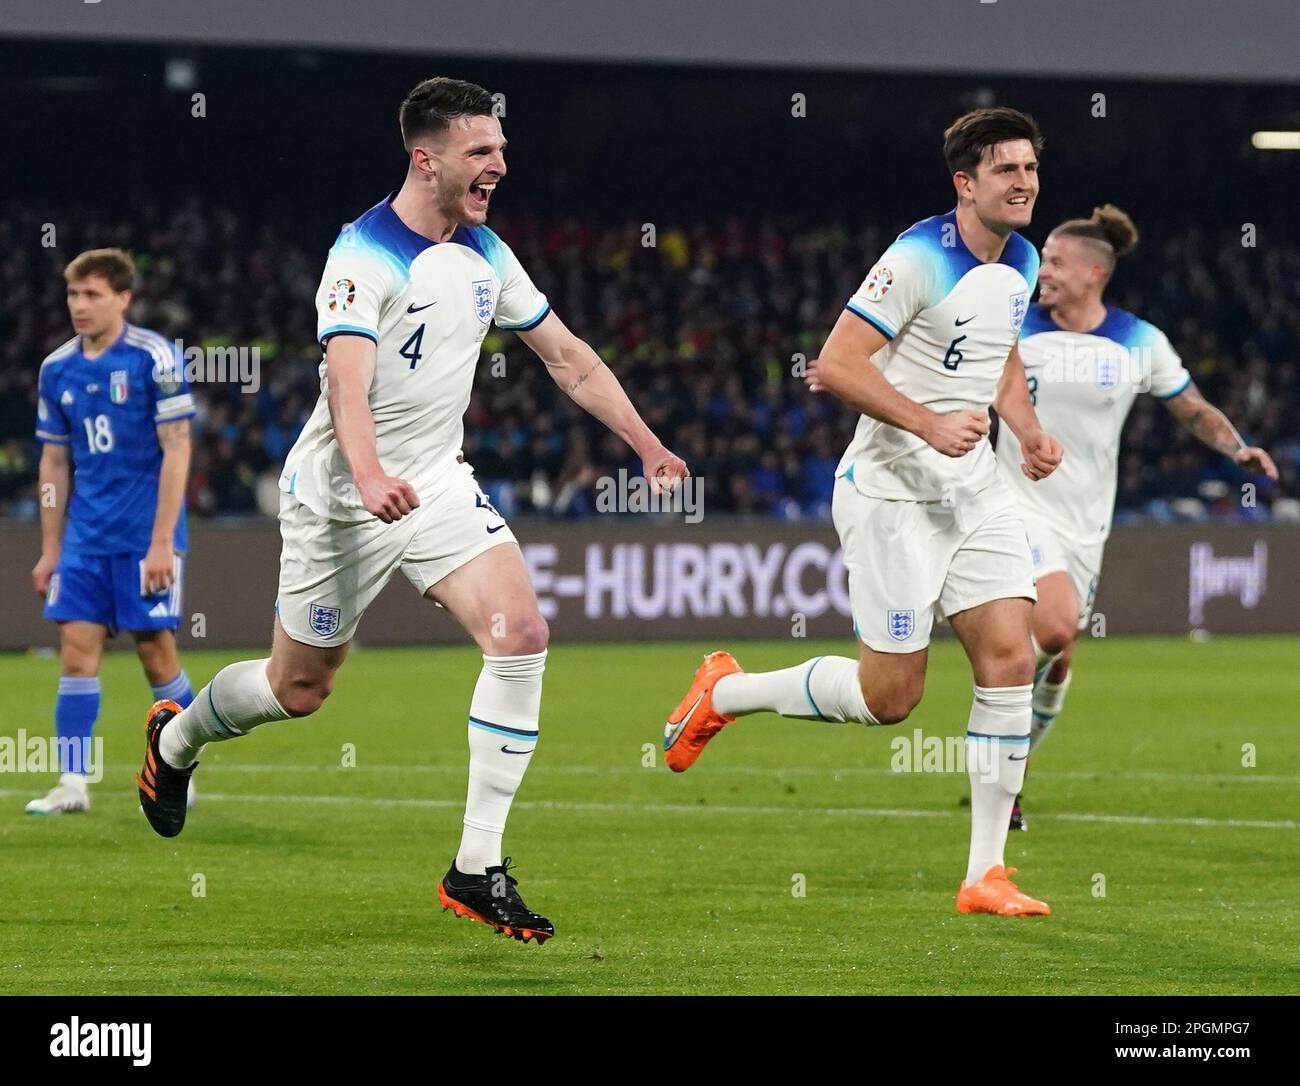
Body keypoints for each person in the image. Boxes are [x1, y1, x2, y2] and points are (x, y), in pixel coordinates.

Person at [135, 77, 688, 946]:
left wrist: (646, 443)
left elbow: (568, 358)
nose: (500, 165)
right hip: (343, 500)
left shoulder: (485, 253)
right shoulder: (362, 255)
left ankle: (475, 867)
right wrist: (365, 475)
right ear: (426, 159)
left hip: (433, 482)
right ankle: (176, 743)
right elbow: (345, 380)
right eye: (482, 152)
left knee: (522, 632)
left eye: (501, 149)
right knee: (298, 688)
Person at [662, 108, 1062, 917]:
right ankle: (726, 691)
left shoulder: (1019, 259)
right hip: (890, 496)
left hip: (974, 489)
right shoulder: (917, 257)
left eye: (1030, 168)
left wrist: (1024, 427)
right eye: (1005, 171)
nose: (1023, 183)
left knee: (1011, 660)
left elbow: (1001, 352)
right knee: (892, 700)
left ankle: (985, 874)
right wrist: (928, 422)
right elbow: (836, 363)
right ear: (965, 183)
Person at [996, 204, 1279, 829]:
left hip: (1085, 525)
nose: (1043, 270)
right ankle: (998, 741)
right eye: (1041, 258)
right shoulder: (1012, 325)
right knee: (1055, 630)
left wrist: (1238, 448)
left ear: (1095, 272)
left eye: (1056, 262)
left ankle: (1011, 772)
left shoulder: (1138, 340)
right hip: (1010, 505)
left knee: (1060, 654)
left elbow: (1193, 408)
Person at [30, 248, 196, 814]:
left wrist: (161, 542)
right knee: (76, 656)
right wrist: (52, 548)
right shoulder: (56, 369)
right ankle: (72, 785)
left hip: (143, 535)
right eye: (74, 294)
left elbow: (178, 448)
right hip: (83, 540)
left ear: (122, 298)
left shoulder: (156, 357)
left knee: (157, 657)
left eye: (92, 294)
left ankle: (178, 768)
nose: (79, 305)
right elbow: (54, 463)